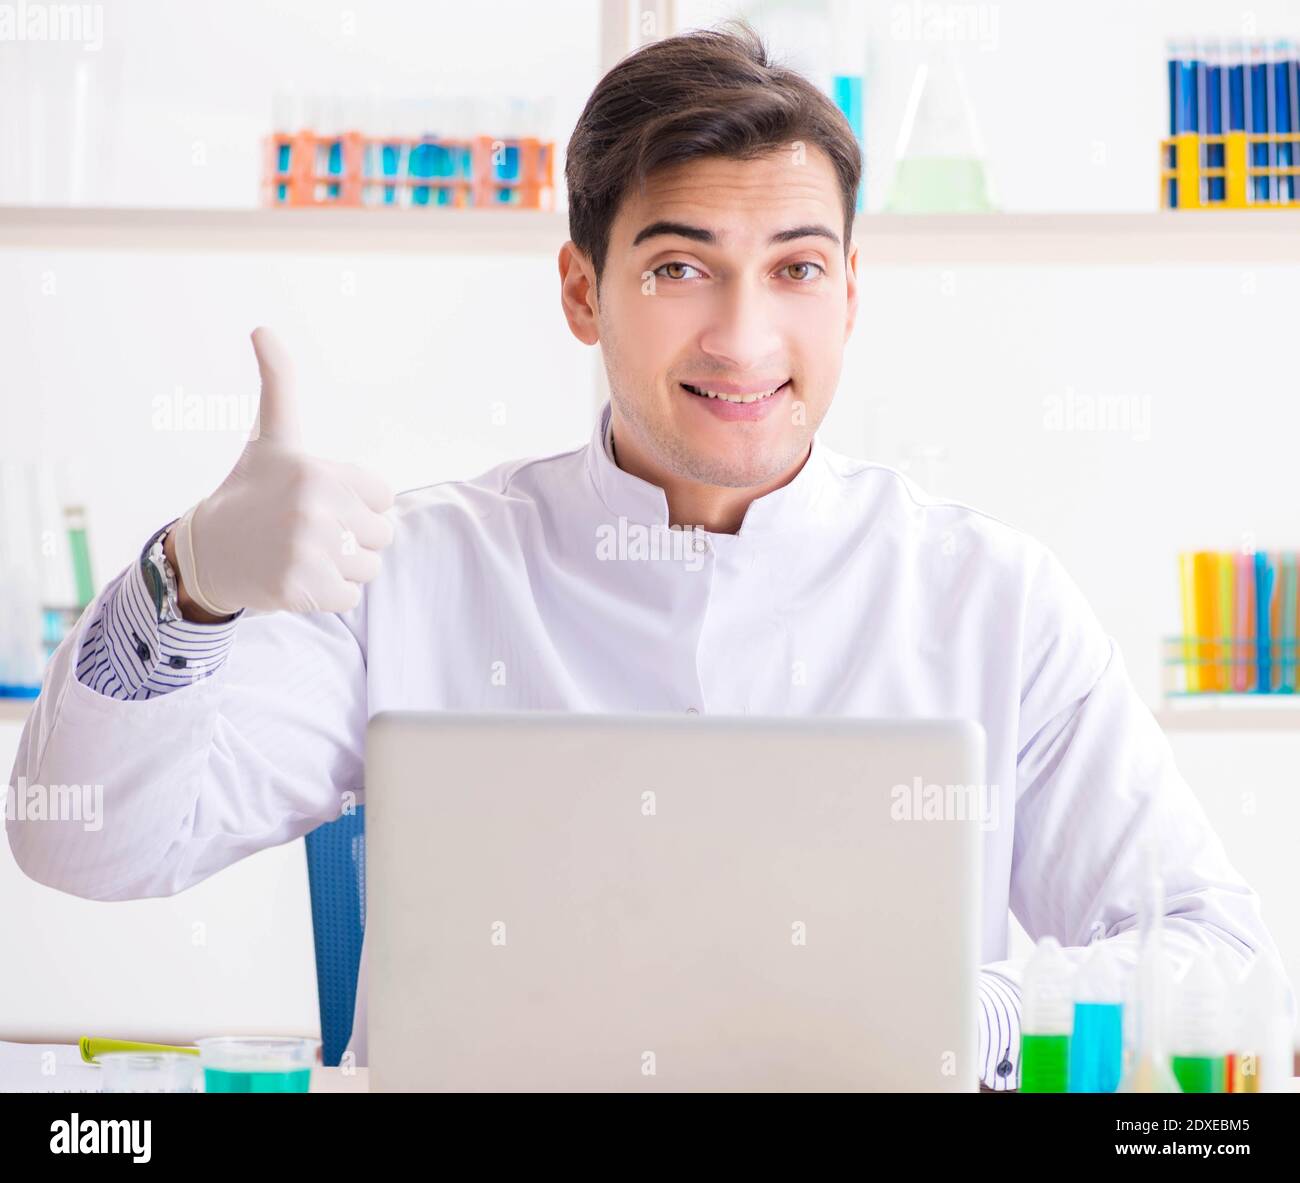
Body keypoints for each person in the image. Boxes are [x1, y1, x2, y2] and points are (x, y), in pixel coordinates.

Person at [7, 24, 1291, 1090]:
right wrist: (187, 580)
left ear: (849, 293)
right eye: (680, 266)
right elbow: (88, 845)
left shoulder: (988, 597)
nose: (743, 337)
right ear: (582, 289)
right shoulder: (422, 569)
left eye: (795, 268)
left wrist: (972, 1013)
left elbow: (1221, 961)